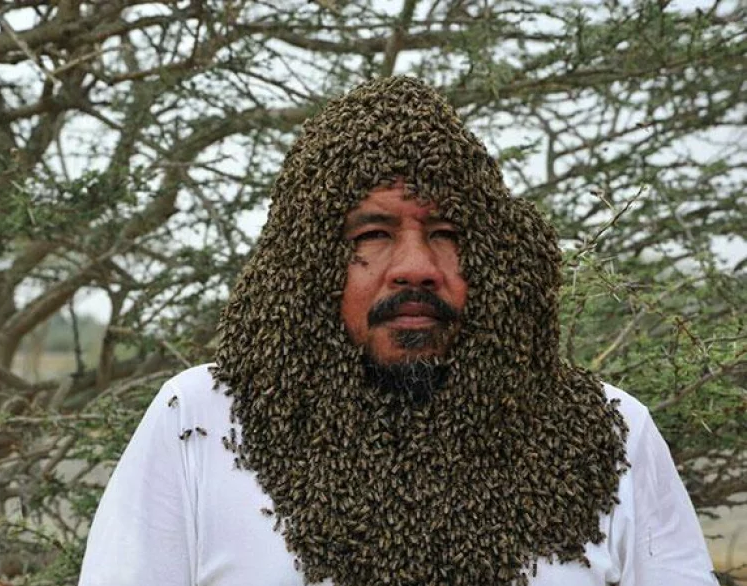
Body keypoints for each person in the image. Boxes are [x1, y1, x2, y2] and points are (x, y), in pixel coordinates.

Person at [78, 77, 717, 586]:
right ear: (309, 264)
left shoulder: (616, 434)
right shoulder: (197, 423)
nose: (416, 267)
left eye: (446, 234)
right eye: (374, 235)